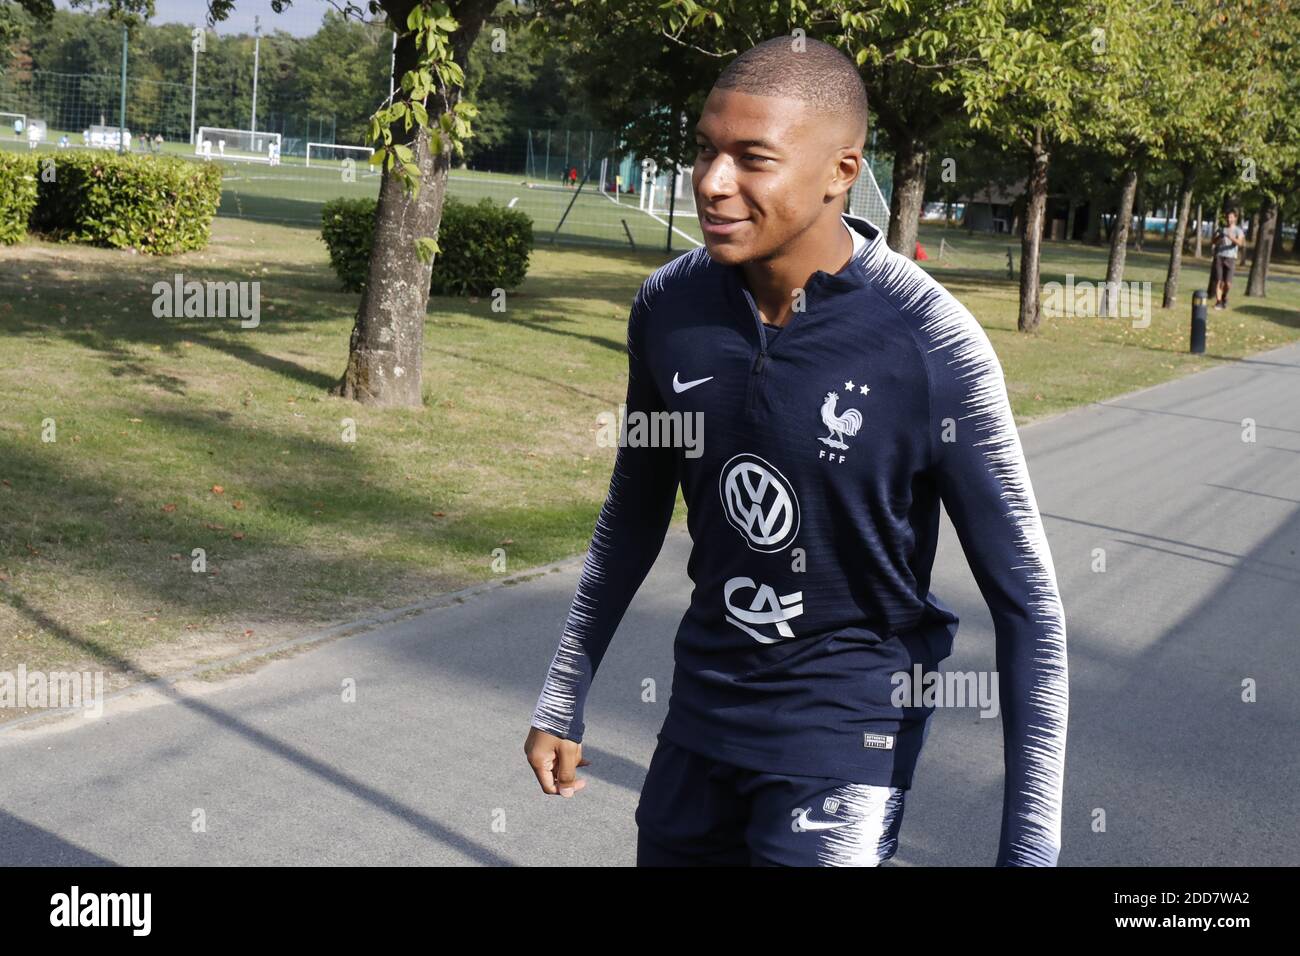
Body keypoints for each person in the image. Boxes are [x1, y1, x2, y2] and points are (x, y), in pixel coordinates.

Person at [525, 37, 1068, 867]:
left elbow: (1029, 605)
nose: (711, 182)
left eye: (752, 159)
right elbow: (632, 514)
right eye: (705, 149)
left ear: (840, 170)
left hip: (848, 731)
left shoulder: (932, 344)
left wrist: (1028, 854)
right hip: (700, 716)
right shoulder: (668, 305)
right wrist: (563, 695)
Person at [1209, 209, 1245, 310]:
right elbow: (1213, 241)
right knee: (1220, 281)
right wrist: (1218, 237)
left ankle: (1224, 297)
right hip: (1220, 256)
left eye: (1231, 217)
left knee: (1228, 284)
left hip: (1231, 258)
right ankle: (1218, 302)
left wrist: (1231, 237)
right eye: (1228, 217)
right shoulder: (1222, 229)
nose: (1229, 219)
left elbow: (1240, 243)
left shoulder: (1238, 230)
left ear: (1235, 218)